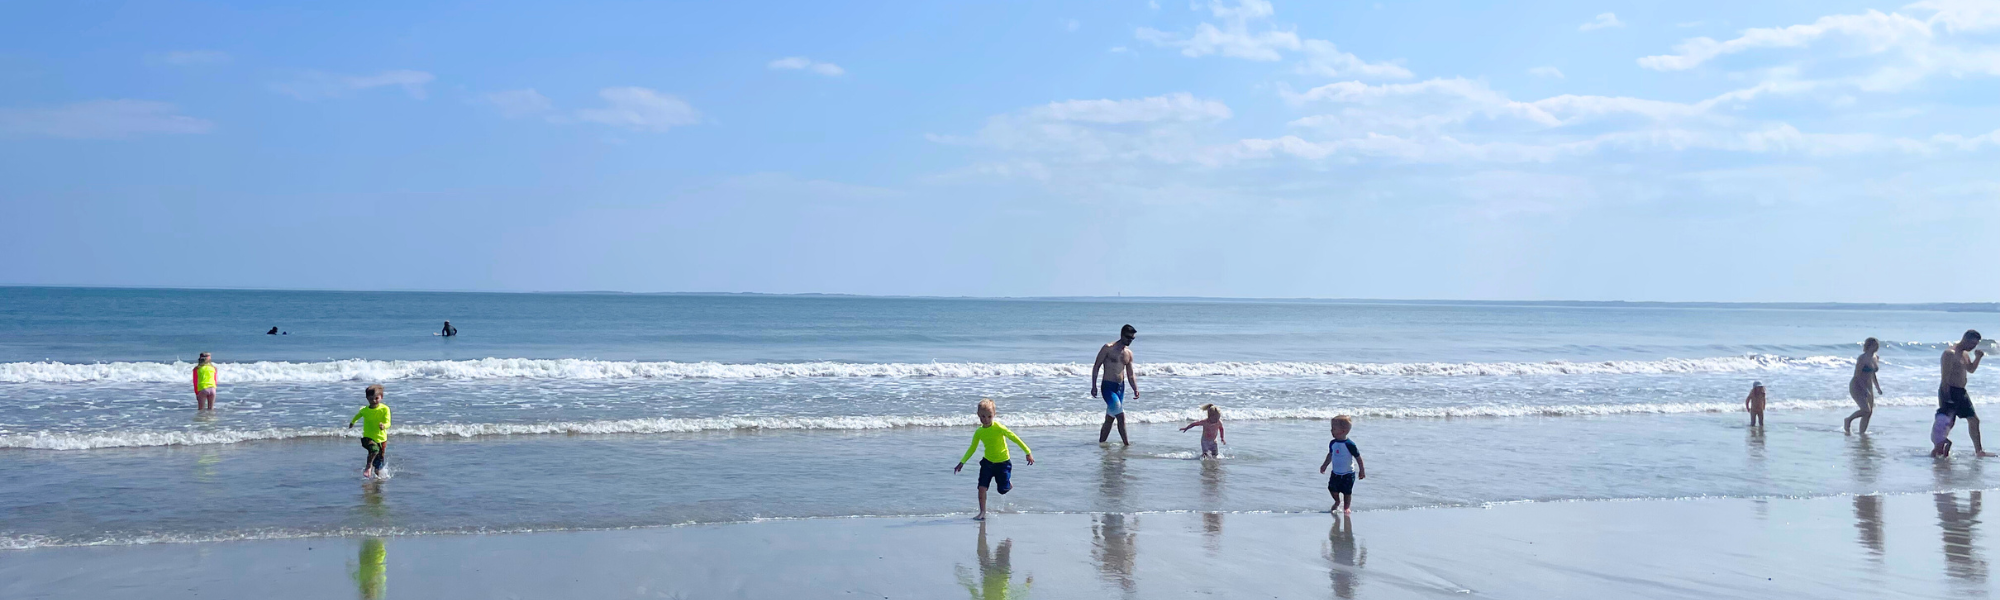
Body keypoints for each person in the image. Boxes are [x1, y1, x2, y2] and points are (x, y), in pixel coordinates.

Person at [955, 399, 1035, 521]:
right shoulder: (979, 432)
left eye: (989, 416)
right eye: (982, 416)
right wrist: (962, 462)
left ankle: (1008, 484)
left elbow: (1014, 438)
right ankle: (982, 512)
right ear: (978, 415)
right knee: (982, 487)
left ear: (994, 415)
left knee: (1002, 490)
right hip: (987, 463)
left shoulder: (999, 428)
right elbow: (972, 448)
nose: (986, 419)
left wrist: (1027, 452)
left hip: (1003, 463)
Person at [1940, 330, 1991, 456]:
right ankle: (1938, 448)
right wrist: (1945, 396)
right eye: (1972, 344)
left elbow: (1971, 369)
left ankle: (1979, 451)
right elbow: (1944, 377)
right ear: (1965, 339)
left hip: (1961, 392)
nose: (1973, 347)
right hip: (1950, 390)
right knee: (1948, 423)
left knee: (1974, 420)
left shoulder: (1965, 354)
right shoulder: (1950, 353)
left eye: (1975, 345)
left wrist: (1978, 358)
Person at [1090, 325, 1139, 445]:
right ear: (1122, 335)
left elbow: (1130, 374)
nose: (1129, 341)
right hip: (1108, 387)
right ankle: (1126, 445)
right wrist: (1094, 386)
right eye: (1128, 337)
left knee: (1110, 418)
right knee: (1121, 416)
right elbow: (1096, 366)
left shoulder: (1128, 353)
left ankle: (1101, 444)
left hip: (1120, 388)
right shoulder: (1108, 348)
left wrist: (1135, 389)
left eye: (1132, 338)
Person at [1319, 415, 1366, 513]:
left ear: (1343, 431)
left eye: (1334, 429)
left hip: (1348, 473)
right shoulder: (1332, 443)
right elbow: (1330, 454)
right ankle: (1337, 501)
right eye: (1331, 428)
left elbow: (1358, 457)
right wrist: (1324, 465)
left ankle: (1346, 507)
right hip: (1335, 473)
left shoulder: (1350, 444)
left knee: (1347, 492)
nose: (1331, 431)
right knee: (1332, 489)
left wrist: (1362, 470)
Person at [348, 384, 393, 478]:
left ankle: (377, 477)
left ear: (381, 397)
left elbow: (388, 422)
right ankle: (368, 466)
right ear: (367, 398)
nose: (374, 401)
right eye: (371, 398)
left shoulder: (385, 409)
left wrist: (384, 426)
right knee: (374, 449)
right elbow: (358, 415)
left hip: (381, 439)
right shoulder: (365, 410)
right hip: (368, 437)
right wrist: (352, 422)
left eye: (376, 398)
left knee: (379, 461)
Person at [1845, 338, 1884, 434]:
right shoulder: (1862, 358)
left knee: (1869, 413)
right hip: (1857, 385)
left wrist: (1877, 388)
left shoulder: (1876, 357)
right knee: (1865, 410)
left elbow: (1872, 374)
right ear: (1869, 346)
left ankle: (1862, 433)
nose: (1877, 347)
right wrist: (1864, 389)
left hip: (1868, 386)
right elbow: (1857, 375)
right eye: (1875, 345)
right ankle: (1848, 420)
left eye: (1878, 345)